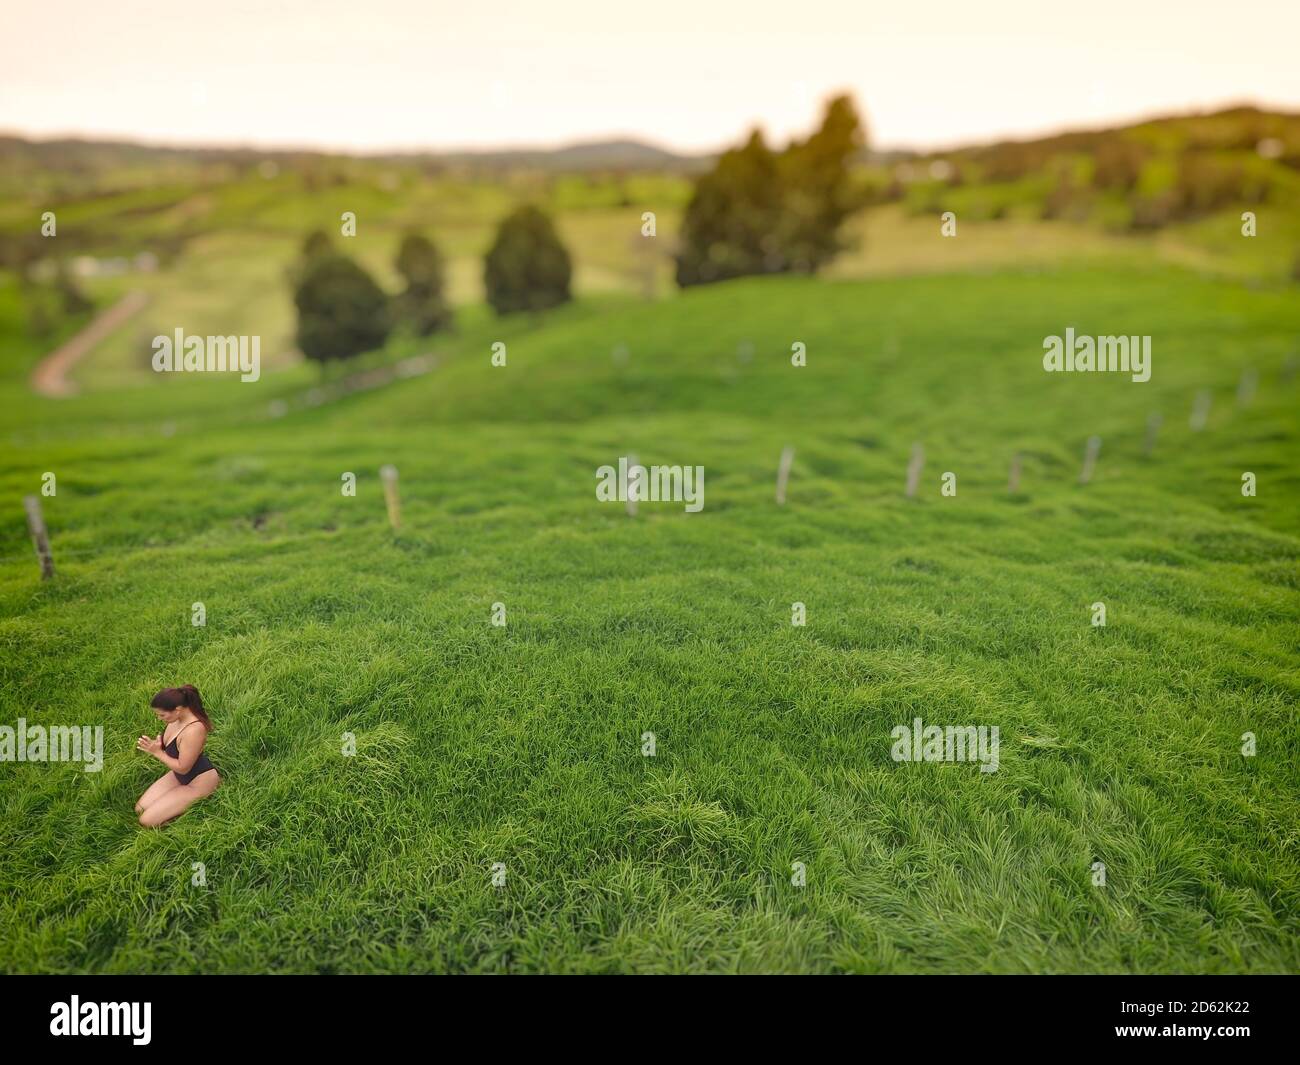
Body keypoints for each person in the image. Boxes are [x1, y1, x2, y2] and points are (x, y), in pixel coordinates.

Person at [134, 684, 220, 827]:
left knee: (146, 821)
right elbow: (172, 748)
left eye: (162, 715)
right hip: (178, 777)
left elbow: (183, 768)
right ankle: (174, 802)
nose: (159, 718)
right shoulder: (174, 721)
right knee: (140, 809)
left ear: (178, 710)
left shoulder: (194, 730)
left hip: (197, 783)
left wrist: (157, 752)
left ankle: (208, 794)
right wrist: (159, 745)